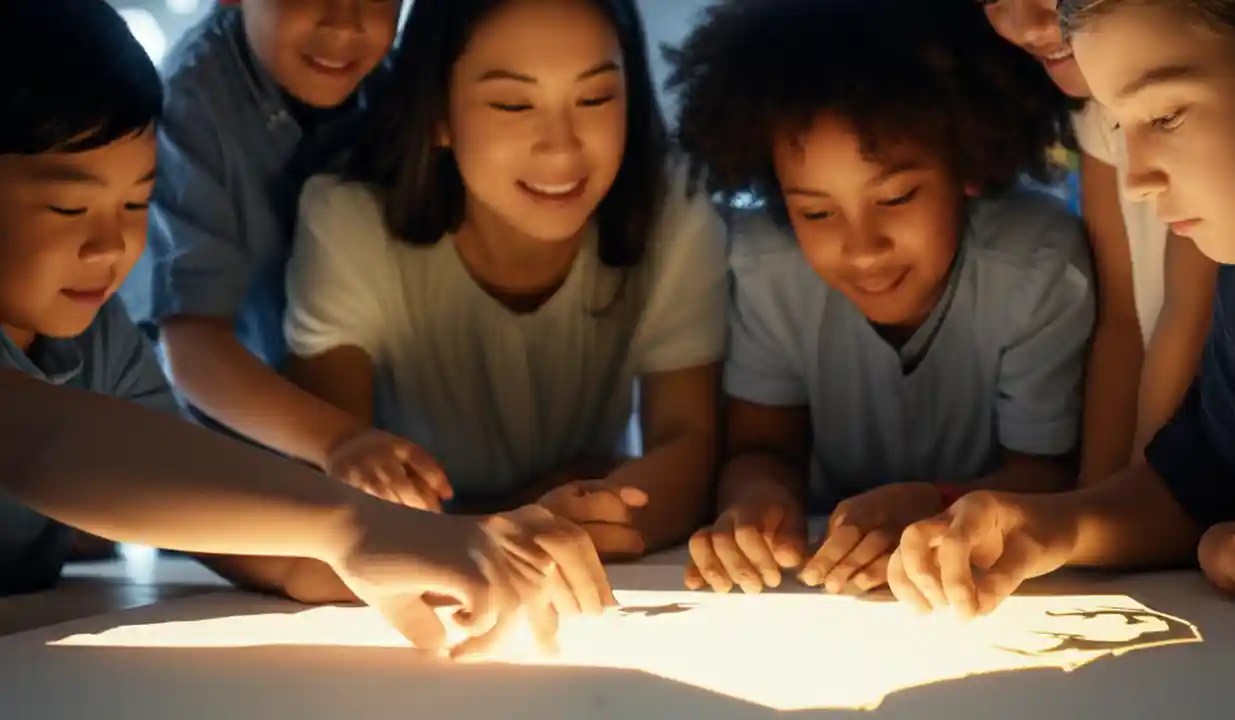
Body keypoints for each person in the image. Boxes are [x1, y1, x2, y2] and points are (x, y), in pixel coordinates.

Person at [0, 0, 606, 656]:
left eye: (137, 203)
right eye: (68, 206)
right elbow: (46, 439)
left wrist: (446, 543)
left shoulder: (101, 343)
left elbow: (250, 539)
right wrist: (353, 521)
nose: (110, 245)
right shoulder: (206, 99)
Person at [667, 0, 1093, 595]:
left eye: (895, 198)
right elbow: (762, 445)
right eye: (816, 211)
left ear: (967, 165)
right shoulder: (767, 266)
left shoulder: (1038, 267)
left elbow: (1048, 473)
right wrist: (756, 501)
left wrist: (934, 505)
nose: (862, 248)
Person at [280, 0, 726, 566]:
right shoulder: (350, 221)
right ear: (438, 112)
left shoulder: (672, 208)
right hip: (423, 569)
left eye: (595, 98)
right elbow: (338, 488)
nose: (562, 146)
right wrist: (514, 517)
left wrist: (600, 515)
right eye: (514, 104)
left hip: (581, 549)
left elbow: (689, 445)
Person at [888, 0, 1235, 618]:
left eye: (1167, 114)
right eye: (1121, 129)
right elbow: (1182, 489)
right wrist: (1041, 525)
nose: (1136, 179)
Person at [120, 0, 450, 509]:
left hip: (372, 440)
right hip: (226, 447)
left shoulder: (397, 85)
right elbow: (192, 350)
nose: (344, 20)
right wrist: (341, 440)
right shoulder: (193, 105)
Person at [978, 0, 1217, 486]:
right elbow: (1123, 324)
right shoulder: (1096, 119)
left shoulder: (1215, 105)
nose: (1029, 26)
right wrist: (1093, 500)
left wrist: (1142, 500)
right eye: (994, 0)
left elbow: (1188, 309)